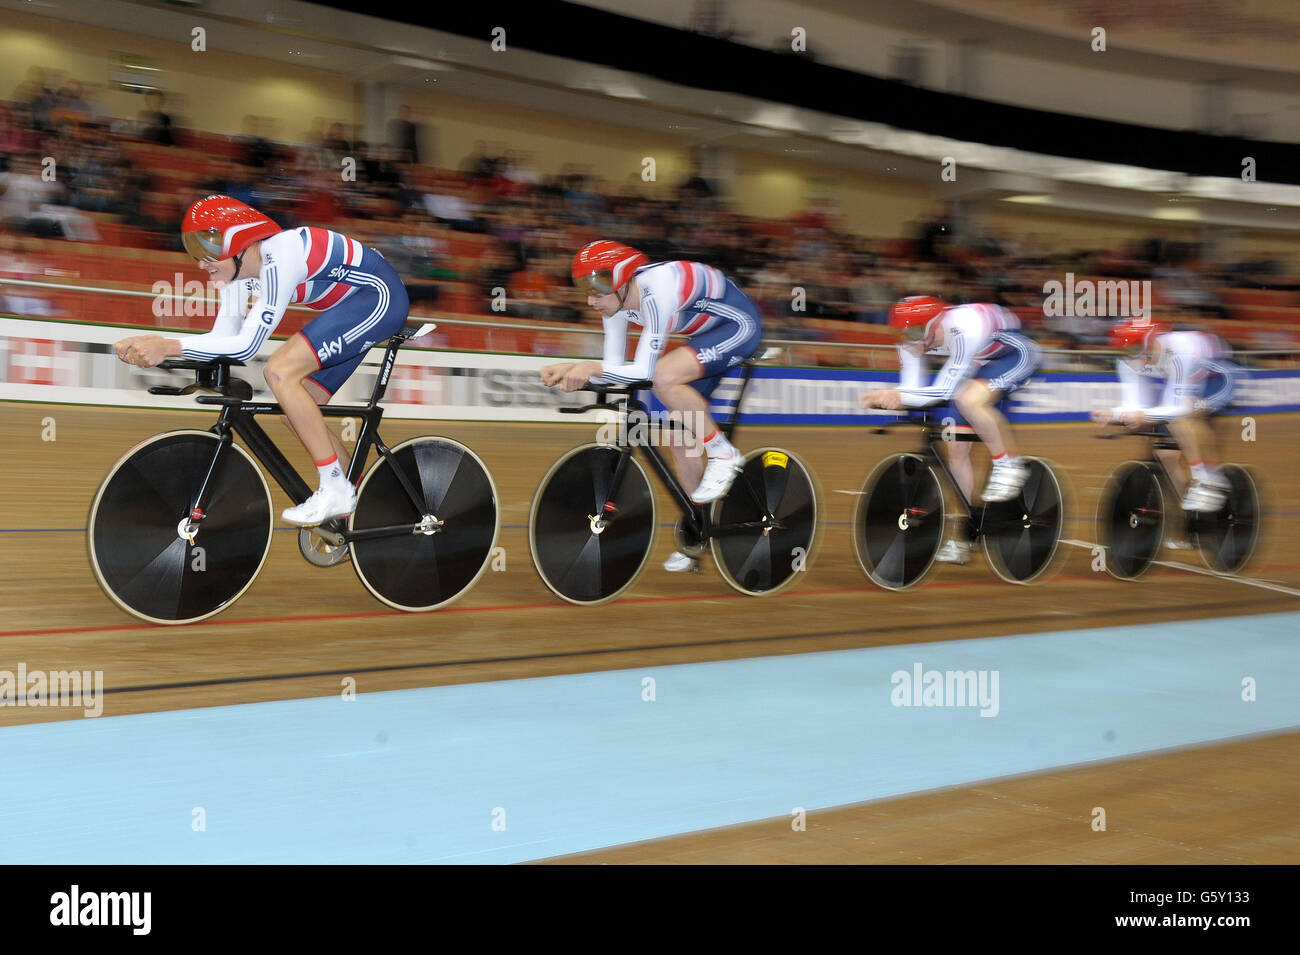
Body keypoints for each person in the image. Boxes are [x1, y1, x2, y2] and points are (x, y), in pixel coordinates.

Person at [113, 195, 410, 526]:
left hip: (379, 298)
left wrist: (166, 346)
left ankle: (334, 488)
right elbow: (222, 338)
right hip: (348, 308)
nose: (200, 264)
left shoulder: (281, 255)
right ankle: (352, 498)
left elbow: (245, 347)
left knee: (280, 373)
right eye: (195, 252)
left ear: (239, 243)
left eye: (207, 251)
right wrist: (155, 344)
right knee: (296, 411)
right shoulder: (237, 275)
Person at [540, 240, 761, 572]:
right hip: (705, 338)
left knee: (664, 376)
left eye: (597, 288)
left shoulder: (656, 289)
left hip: (739, 326)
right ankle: (701, 531)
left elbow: (645, 370)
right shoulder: (614, 304)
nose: (590, 299)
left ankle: (724, 453)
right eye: (585, 288)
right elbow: (613, 369)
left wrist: (590, 369)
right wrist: (574, 371)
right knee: (680, 437)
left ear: (623, 278)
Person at [860, 296, 1041, 564]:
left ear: (937, 322)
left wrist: (898, 396)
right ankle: (966, 534)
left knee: (968, 399)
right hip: (977, 361)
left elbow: (942, 390)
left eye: (917, 332)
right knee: (956, 449)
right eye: (905, 333)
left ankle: (1008, 464)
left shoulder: (963, 326)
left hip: (1014, 352)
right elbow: (911, 387)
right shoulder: (913, 337)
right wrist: (895, 397)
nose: (912, 339)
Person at [1092, 321, 1236, 514]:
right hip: (1184, 381)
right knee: (1165, 453)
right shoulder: (1129, 359)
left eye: (1135, 349)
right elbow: (1135, 404)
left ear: (1151, 343)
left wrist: (1143, 415)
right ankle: (1185, 515)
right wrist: (1113, 413)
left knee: (1185, 417)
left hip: (1216, 377)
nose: (1133, 358)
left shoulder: (1178, 352)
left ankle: (1209, 481)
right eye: (1125, 352)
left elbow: (1176, 409)